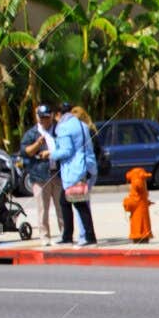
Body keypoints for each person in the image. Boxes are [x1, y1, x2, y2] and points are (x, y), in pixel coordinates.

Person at [51, 102, 97, 245]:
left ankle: (88, 237)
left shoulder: (64, 128)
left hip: (74, 170)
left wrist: (51, 154)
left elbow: (67, 150)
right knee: (65, 201)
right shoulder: (82, 125)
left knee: (79, 203)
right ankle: (68, 236)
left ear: (59, 114)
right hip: (87, 166)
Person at [21, 107, 60, 245]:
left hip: (57, 173)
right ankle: (45, 236)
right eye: (42, 117)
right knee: (43, 209)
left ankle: (65, 233)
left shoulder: (58, 130)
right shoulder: (31, 133)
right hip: (40, 175)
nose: (45, 120)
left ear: (52, 116)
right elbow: (25, 152)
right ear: (38, 117)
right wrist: (37, 144)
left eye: (47, 117)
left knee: (61, 207)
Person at [122, 166, 153, 243]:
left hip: (140, 205)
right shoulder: (138, 183)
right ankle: (141, 236)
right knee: (140, 222)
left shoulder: (138, 185)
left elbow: (138, 186)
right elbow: (138, 185)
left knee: (140, 222)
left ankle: (141, 236)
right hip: (139, 205)